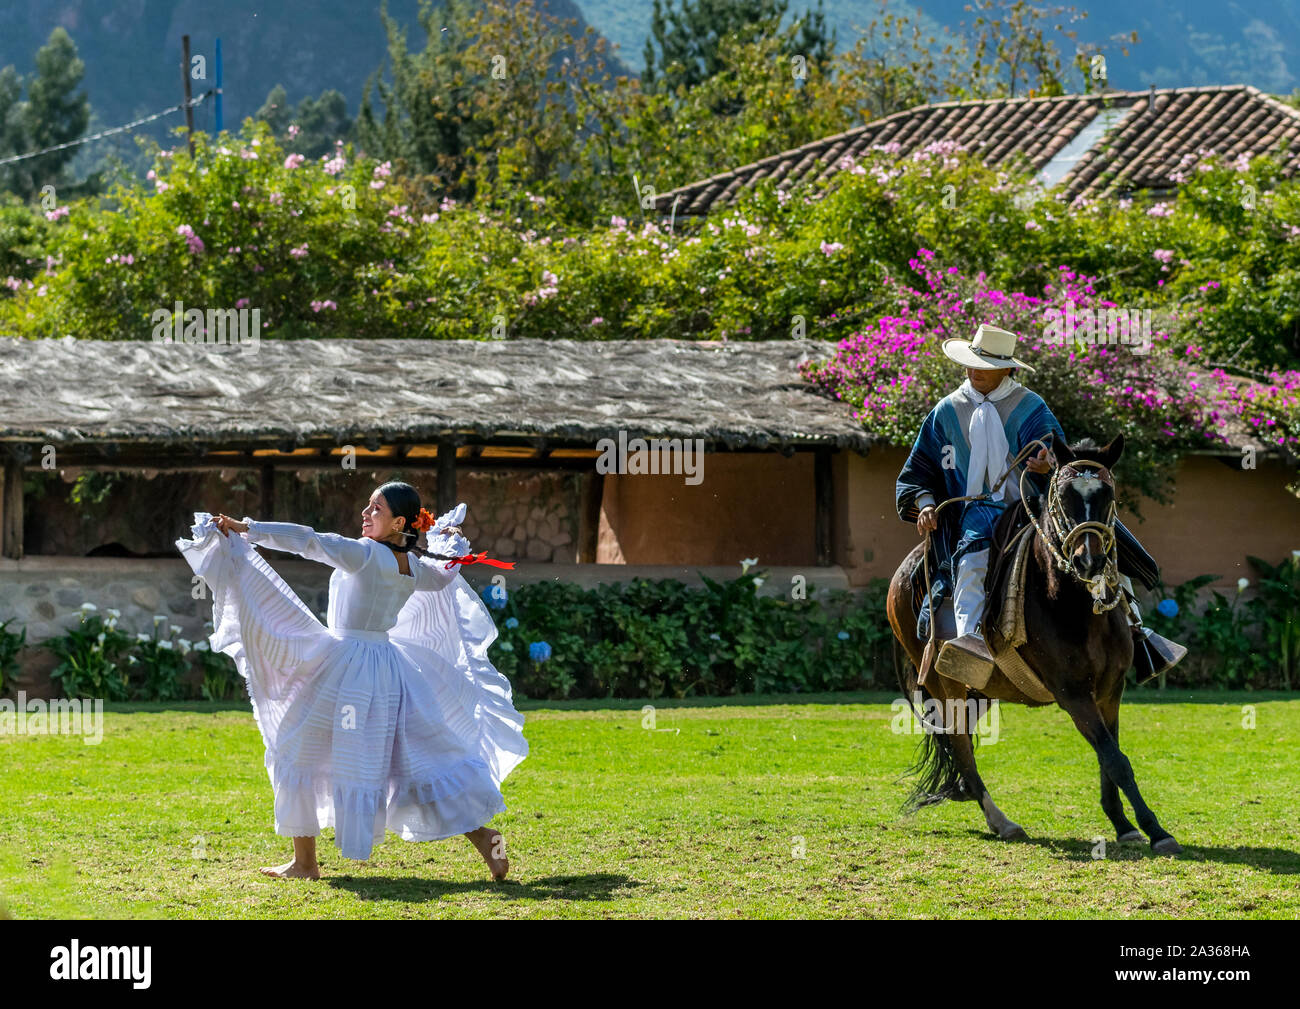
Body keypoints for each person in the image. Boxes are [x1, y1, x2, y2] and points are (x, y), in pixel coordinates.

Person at [176, 482, 528, 881]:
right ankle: (484, 838)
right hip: (388, 667)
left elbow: (310, 541)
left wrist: (248, 527)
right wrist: (450, 544)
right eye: (368, 505)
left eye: (375, 509)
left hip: (345, 667)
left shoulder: (364, 554)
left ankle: (305, 864)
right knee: (416, 761)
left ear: (398, 522)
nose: (365, 512)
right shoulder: (412, 565)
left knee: (297, 746)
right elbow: (442, 576)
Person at [895, 323, 1186, 684]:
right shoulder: (946, 411)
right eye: (972, 364)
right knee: (972, 559)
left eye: (984, 366)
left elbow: (1064, 466)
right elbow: (918, 469)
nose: (974, 372)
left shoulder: (1031, 407)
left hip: (1034, 505)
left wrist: (1049, 467)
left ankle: (1137, 630)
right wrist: (924, 503)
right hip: (974, 511)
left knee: (1103, 542)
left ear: (1008, 369)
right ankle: (970, 643)